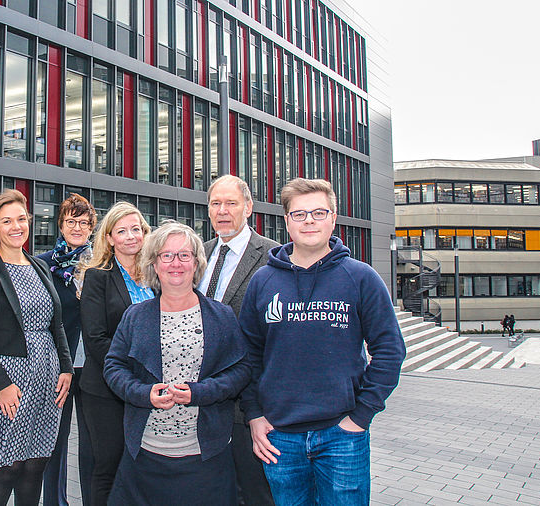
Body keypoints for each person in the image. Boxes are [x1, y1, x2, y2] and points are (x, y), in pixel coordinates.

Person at [239, 178, 406, 506]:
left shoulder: (360, 278)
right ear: (286, 222)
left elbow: (390, 350)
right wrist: (255, 415)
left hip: (342, 435)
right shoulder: (263, 281)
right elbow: (248, 354)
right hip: (279, 436)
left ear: (333, 217)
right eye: (299, 214)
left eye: (318, 212)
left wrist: (360, 416)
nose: (309, 221)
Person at [104, 222, 250, 506]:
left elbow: (241, 370)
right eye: (166, 256)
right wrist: (143, 393)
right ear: (154, 264)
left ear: (196, 263)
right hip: (145, 457)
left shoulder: (222, 316)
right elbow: (114, 367)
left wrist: (200, 392)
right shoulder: (135, 317)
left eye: (184, 255)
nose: (176, 263)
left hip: (205, 459)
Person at [0, 189, 74, 506]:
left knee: (35, 463)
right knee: (6, 466)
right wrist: (2, 386)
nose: (16, 226)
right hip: (7, 378)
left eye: (21, 219)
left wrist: (66, 368)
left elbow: (56, 323)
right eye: (7, 220)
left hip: (46, 378)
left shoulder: (38, 267)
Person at [198, 174, 278, 506]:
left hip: (250, 404)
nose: (222, 211)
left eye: (231, 203)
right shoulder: (199, 253)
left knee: (255, 493)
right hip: (202, 400)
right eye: (215, 203)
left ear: (248, 207)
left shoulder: (273, 256)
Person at [78, 201, 153, 505]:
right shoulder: (98, 276)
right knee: (108, 465)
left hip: (149, 388)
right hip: (106, 390)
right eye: (121, 231)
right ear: (109, 238)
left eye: (136, 229)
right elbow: (95, 340)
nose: (131, 236)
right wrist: (136, 369)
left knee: (142, 465)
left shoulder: (156, 275)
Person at [36, 194, 96, 506]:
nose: (76, 227)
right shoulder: (43, 264)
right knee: (55, 441)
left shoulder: (101, 263)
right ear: (61, 225)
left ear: (91, 227)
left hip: (93, 365)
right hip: (59, 364)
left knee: (91, 442)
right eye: (70, 221)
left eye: (83, 222)